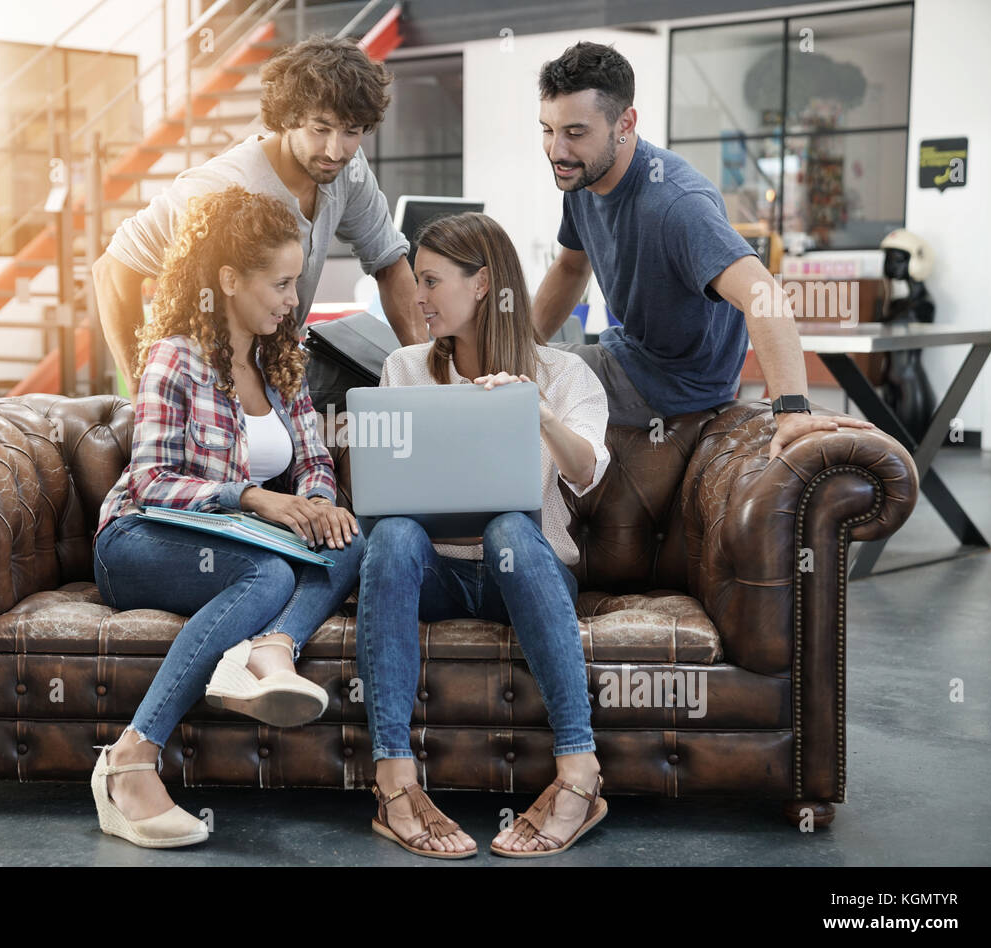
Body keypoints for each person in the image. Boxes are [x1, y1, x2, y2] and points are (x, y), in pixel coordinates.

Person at [91, 186, 365, 849]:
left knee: (356, 539)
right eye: (279, 282)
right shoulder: (175, 357)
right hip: (140, 538)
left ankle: (270, 649)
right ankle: (129, 758)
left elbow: (314, 458)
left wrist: (320, 501)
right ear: (228, 280)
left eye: (295, 282)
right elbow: (151, 480)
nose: (291, 299)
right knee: (269, 574)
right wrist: (250, 496)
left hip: (240, 537)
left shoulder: (281, 359)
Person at [356, 212, 611, 859]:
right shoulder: (405, 368)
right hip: (436, 576)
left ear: (483, 285)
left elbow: (584, 472)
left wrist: (537, 411)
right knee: (393, 535)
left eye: (432, 280)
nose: (417, 298)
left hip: (521, 573)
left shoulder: (563, 374)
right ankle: (393, 781)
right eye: (416, 280)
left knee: (508, 525)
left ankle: (581, 773)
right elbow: (383, 497)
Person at [532, 41, 874, 456]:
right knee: (499, 367)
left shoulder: (675, 203)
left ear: (625, 123)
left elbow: (762, 295)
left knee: (514, 385)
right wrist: (517, 343)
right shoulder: (583, 177)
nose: (556, 151)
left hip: (677, 386)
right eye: (548, 130)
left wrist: (792, 412)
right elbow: (570, 267)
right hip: (629, 355)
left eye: (575, 133)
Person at [94, 35, 426, 402]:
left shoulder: (350, 170)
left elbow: (390, 265)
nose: (336, 150)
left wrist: (428, 380)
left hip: (277, 365)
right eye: (321, 129)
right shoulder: (224, 185)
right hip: (209, 377)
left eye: (352, 132)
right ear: (287, 118)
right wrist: (141, 391)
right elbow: (111, 270)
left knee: (373, 397)